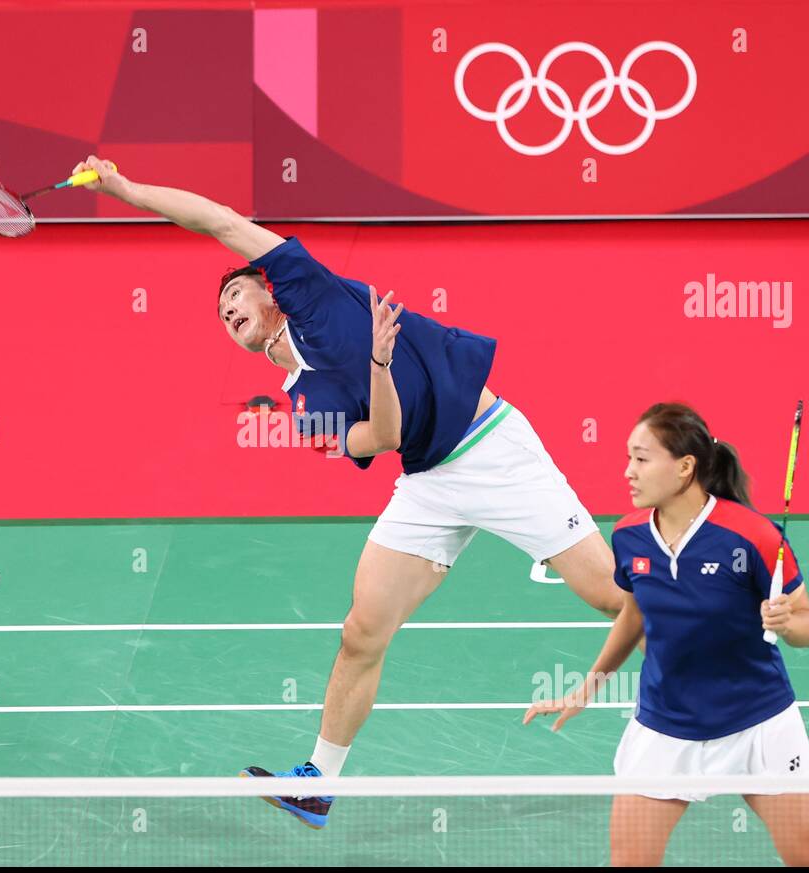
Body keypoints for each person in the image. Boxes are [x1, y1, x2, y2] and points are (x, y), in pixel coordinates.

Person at [72, 155, 629, 829]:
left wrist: (127, 192)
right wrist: (381, 365)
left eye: (236, 298)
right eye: (221, 315)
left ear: (268, 291)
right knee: (361, 629)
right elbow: (383, 436)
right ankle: (317, 783)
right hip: (427, 477)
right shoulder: (303, 402)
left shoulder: (305, 287)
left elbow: (215, 220)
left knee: (612, 598)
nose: (228, 312)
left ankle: (722, 616)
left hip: (491, 446)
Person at [525, 402, 809, 866]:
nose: (627, 471)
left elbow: (808, 628)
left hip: (758, 724)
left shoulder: (753, 537)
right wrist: (586, 688)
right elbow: (633, 615)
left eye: (641, 458)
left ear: (685, 467)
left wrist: (788, 622)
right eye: (629, 457)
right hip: (665, 726)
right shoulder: (629, 536)